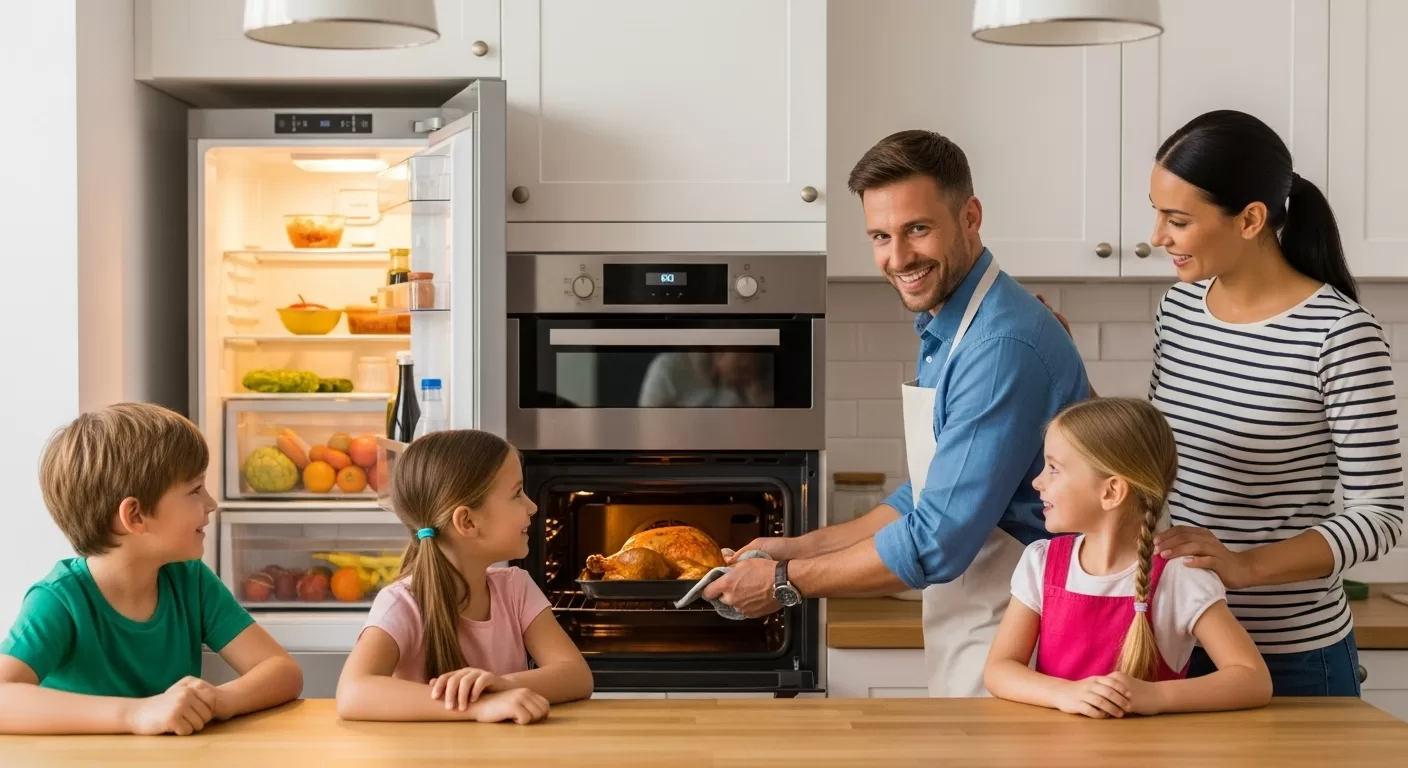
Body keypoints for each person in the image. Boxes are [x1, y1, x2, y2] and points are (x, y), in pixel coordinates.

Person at [703, 129, 1091, 697]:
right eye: (880, 235)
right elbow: (932, 492)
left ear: (970, 216)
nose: (898, 257)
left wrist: (786, 581)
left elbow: (937, 540)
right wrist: (799, 547)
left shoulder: (998, 345)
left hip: (1029, 632)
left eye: (917, 229)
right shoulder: (954, 324)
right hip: (985, 615)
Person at [1133, 109, 1404, 697]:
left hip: (1290, 656)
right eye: (1157, 213)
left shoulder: (1339, 335)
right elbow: (1157, 459)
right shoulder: (1178, 311)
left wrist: (1243, 565)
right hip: (1176, 638)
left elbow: (1381, 515)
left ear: (1251, 218)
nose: (1157, 237)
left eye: (1177, 219)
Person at [0, 403, 303, 735]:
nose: (211, 503)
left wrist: (218, 700)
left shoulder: (190, 580)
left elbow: (282, 671)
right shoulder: (60, 601)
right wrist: (137, 714)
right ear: (135, 516)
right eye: (195, 490)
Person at [984, 398, 1271, 717]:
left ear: (1111, 492)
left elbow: (1253, 679)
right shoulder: (1040, 562)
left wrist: (1157, 696)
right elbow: (999, 669)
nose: (1038, 482)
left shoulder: (1180, 576)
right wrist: (1064, 693)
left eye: (1054, 469)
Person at [336, 430, 592, 723]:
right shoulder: (402, 603)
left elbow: (576, 675)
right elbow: (352, 692)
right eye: (517, 493)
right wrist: (479, 707)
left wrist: (503, 685)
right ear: (467, 521)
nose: (532, 506)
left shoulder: (516, 588)